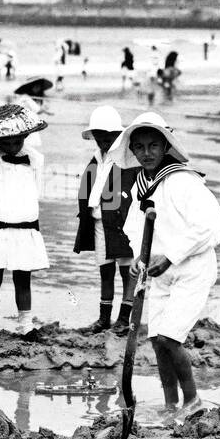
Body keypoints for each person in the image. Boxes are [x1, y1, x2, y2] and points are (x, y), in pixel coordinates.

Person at [116, 111, 220, 415]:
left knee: (170, 336)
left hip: (192, 269)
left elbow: (213, 227)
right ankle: (169, 403)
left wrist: (171, 257)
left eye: (153, 146)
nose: (146, 153)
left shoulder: (182, 181)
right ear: (132, 150)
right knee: (155, 340)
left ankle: (192, 401)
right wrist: (140, 258)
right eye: (139, 147)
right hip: (159, 272)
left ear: (166, 146)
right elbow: (136, 229)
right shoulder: (141, 183)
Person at [0, 103, 50, 341]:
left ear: (26, 136)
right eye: (7, 142)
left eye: (18, 141)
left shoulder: (34, 158)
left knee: (23, 279)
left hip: (24, 225)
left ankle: (26, 325)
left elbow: (36, 190)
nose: (13, 147)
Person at [73, 105, 138, 334]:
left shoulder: (127, 158)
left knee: (126, 269)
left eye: (108, 137)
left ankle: (124, 317)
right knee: (105, 269)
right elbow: (90, 187)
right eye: (99, 137)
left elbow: (132, 190)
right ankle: (103, 318)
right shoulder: (96, 158)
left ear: (118, 135)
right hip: (99, 219)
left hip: (120, 222)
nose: (104, 141)